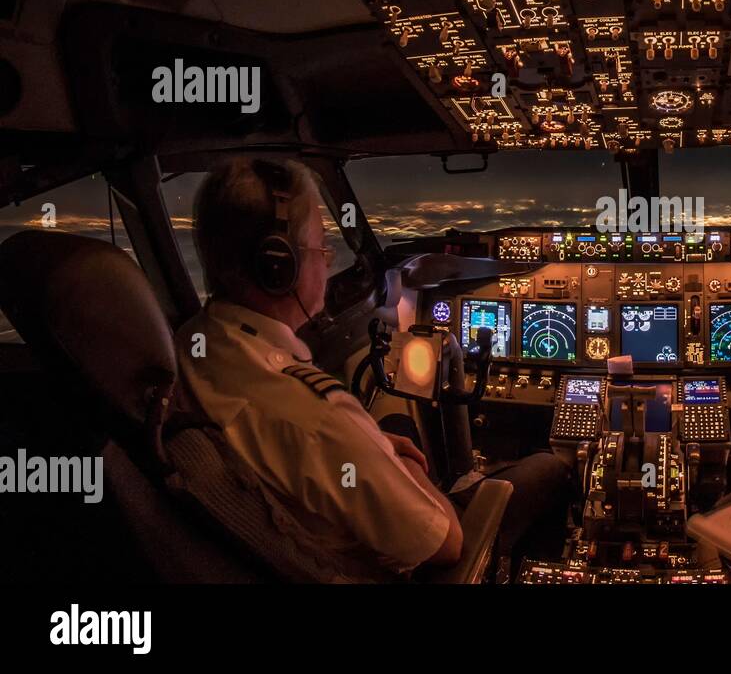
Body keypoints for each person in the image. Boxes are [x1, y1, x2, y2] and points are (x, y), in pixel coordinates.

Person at [176, 157, 568, 577]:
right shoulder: (319, 420)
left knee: (396, 421)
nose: (327, 259)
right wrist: (407, 468)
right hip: (408, 562)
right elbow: (449, 542)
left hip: (317, 535)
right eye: (319, 244)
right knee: (552, 466)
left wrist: (375, 446)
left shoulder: (191, 343)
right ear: (278, 266)